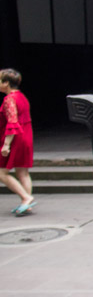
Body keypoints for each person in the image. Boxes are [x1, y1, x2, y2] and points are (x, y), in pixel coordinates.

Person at [0, 69, 35, 216]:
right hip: (26, 136)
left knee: (2, 173)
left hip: (15, 138)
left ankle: (26, 198)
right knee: (23, 172)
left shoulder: (9, 99)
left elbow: (12, 123)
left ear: (6, 83)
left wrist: (6, 144)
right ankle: (26, 204)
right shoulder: (22, 97)